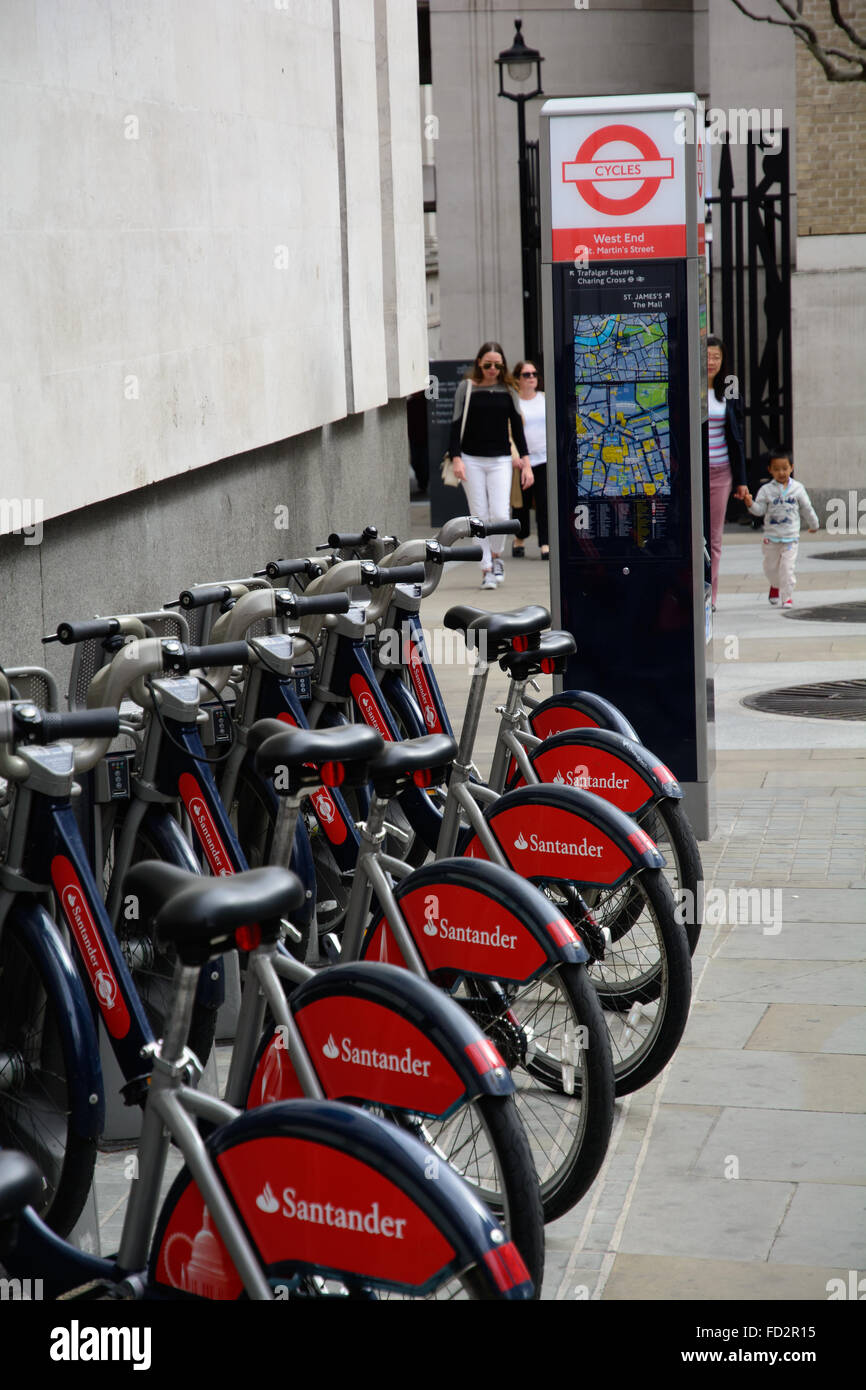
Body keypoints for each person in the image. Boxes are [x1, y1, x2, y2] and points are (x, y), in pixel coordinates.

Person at [450, 342, 532, 589]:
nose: (493, 369)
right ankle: (486, 568)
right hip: (471, 459)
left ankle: (497, 556)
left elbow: (517, 429)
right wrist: (456, 458)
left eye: (498, 365)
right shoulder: (467, 387)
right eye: (487, 364)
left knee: (499, 515)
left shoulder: (509, 390)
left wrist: (526, 464)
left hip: (500, 460)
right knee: (479, 516)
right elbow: (454, 427)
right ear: (479, 363)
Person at [742, 449, 819, 607]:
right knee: (770, 568)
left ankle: (787, 596)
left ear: (791, 467)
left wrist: (814, 524)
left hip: (791, 537)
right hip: (771, 538)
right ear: (770, 470)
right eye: (776, 469)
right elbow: (759, 510)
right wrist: (750, 504)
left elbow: (807, 508)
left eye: (785, 468)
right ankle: (775, 585)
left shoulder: (798, 489)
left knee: (787, 568)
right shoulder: (766, 490)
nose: (781, 472)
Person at [705, 336, 748, 609]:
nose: (711, 362)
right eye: (707, 356)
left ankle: (711, 596)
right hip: (694, 474)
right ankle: (695, 592)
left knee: (715, 538)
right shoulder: (688, 387)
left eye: (716, 357)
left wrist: (742, 481)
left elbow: (737, 438)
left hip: (721, 473)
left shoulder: (729, 392)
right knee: (694, 536)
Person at [511, 361, 549, 560]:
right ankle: (519, 538)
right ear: (518, 379)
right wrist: (515, 456)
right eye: (526, 374)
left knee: (544, 502)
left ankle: (545, 543)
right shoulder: (515, 402)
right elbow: (509, 432)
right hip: (522, 461)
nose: (532, 377)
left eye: (534, 374)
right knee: (521, 504)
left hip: (544, 458)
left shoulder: (544, 399)